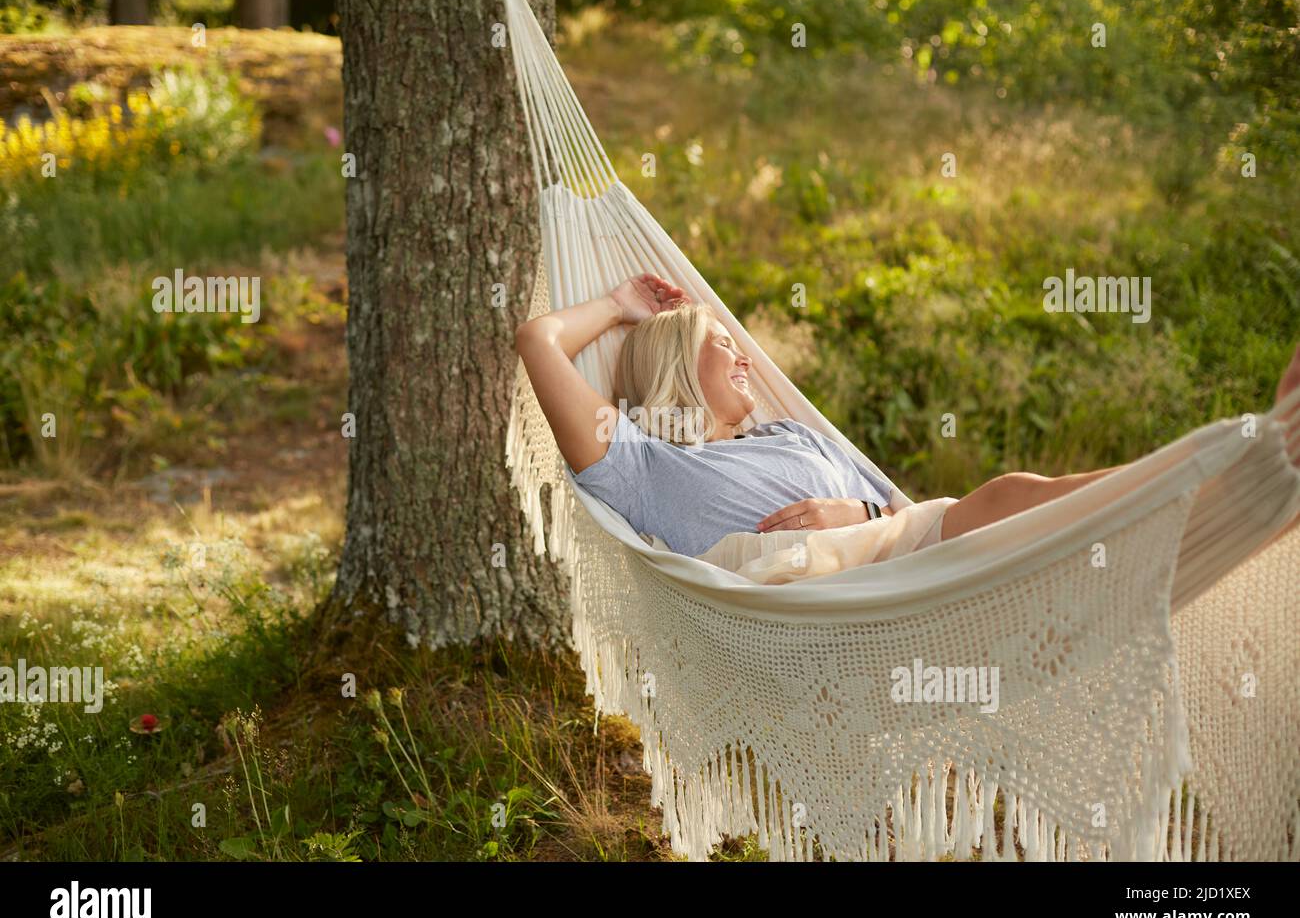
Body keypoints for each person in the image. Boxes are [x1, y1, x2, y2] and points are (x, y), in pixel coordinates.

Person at [515, 273, 1300, 567]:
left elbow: (893, 509)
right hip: (834, 613)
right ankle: (1240, 474)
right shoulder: (645, 463)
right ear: (678, 368)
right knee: (1004, 498)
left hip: (902, 557)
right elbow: (537, 340)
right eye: (724, 346)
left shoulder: (795, 436)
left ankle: (1242, 485)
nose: (747, 356)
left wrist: (852, 510)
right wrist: (620, 306)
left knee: (1009, 497)